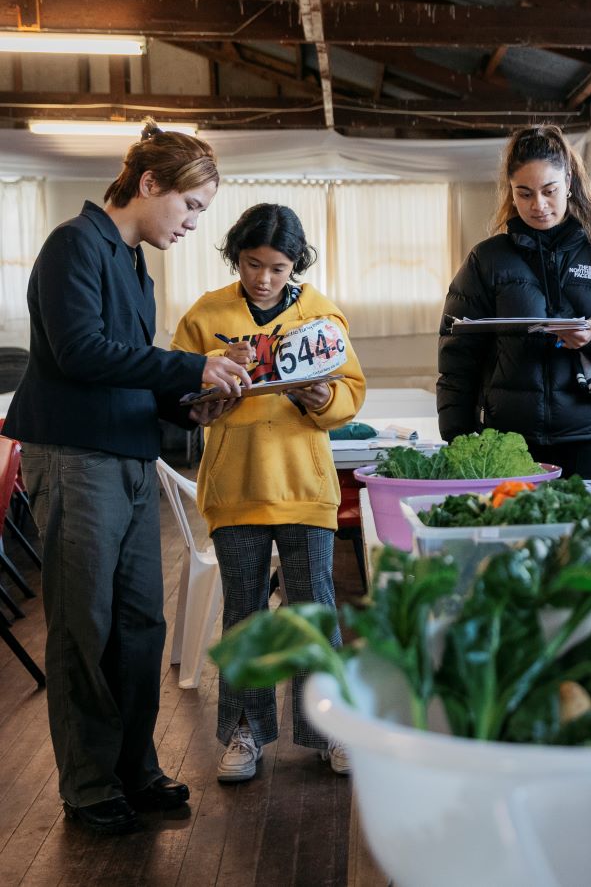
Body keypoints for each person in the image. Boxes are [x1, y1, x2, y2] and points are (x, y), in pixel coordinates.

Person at [2, 125, 251, 835]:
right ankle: (87, 783)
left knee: (142, 622)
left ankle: (135, 766)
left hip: (129, 455)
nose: (193, 223)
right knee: (86, 623)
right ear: (149, 185)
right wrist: (187, 366)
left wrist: (193, 399)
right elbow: (83, 352)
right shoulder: (73, 245)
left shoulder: (133, 264)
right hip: (76, 456)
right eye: (192, 206)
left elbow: (128, 370)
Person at [171, 203, 366, 783]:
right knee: (245, 614)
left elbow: (352, 389)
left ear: (295, 264)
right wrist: (207, 394)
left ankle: (332, 730)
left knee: (315, 610)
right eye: (253, 264)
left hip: (305, 485)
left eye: (278, 268)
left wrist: (322, 400)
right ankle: (243, 732)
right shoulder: (206, 315)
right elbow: (178, 401)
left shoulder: (321, 315)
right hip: (234, 488)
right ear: (236, 257)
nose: (263, 278)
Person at [437, 125, 591, 479]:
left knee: (579, 534)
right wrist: (462, 441)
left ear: (569, 182)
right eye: (524, 193)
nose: (538, 205)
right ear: (510, 192)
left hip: (584, 438)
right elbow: (457, 360)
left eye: (549, 190)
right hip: (508, 441)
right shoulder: (487, 260)